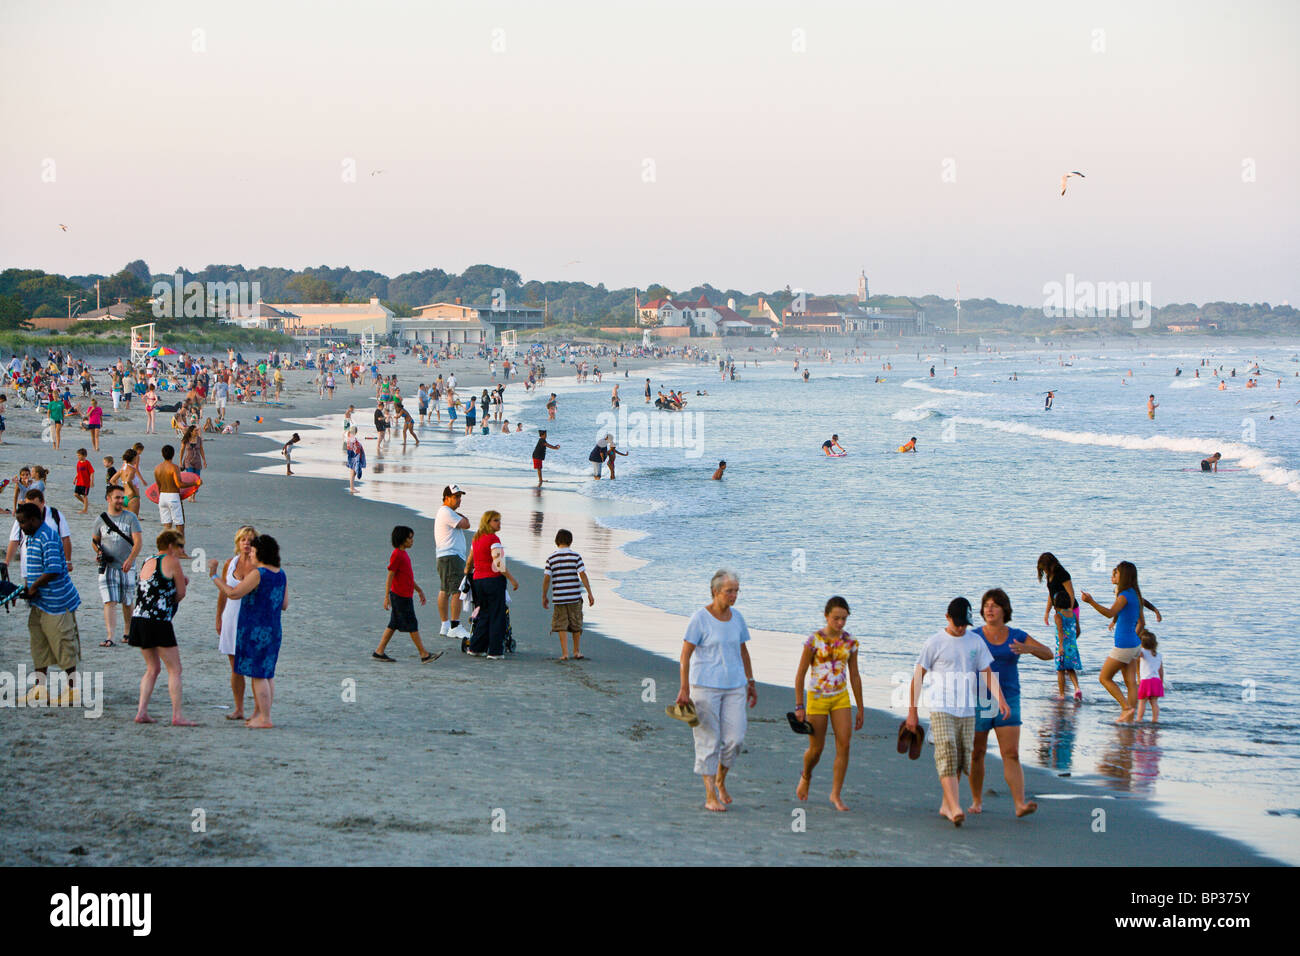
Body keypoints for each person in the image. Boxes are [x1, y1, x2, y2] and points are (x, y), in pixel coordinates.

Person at [905, 597, 1009, 827]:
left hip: (967, 709)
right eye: (957, 623)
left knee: (961, 759)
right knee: (947, 753)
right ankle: (954, 807)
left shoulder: (975, 642)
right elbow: (917, 678)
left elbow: (987, 673)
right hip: (941, 707)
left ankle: (946, 803)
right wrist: (912, 711)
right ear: (947, 618)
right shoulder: (934, 642)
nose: (961, 628)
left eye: (965, 623)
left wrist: (1001, 700)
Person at [675, 570, 756, 812]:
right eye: (729, 591)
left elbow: (743, 651)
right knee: (708, 740)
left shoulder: (738, 618)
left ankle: (721, 778)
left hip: (736, 685)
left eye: (736, 591)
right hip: (705, 686)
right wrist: (684, 688)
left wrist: (751, 681)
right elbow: (685, 655)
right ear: (715, 591)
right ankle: (711, 794)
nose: (734, 595)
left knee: (735, 739)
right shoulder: (699, 618)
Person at [969, 588, 1052, 818]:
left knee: (1011, 753)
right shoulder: (974, 636)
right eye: (986, 605)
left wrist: (1029, 649)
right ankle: (976, 800)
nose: (989, 609)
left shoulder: (1016, 634)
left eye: (994, 605)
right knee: (977, 752)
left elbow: (1048, 654)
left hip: (1010, 697)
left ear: (1005, 610)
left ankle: (1020, 804)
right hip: (981, 699)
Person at [208, 534, 288, 729]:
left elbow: (233, 593)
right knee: (267, 673)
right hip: (273, 628)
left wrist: (214, 576)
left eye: (253, 551)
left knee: (258, 674)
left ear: (261, 552)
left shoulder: (259, 573)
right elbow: (284, 604)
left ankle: (265, 718)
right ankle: (261, 714)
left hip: (254, 629)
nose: (250, 554)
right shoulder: (281, 573)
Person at [792, 595, 863, 812]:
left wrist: (860, 707)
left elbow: (855, 675)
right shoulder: (814, 640)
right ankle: (806, 775)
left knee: (844, 744)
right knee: (817, 748)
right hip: (817, 698)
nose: (840, 623)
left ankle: (836, 794)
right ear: (826, 616)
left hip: (840, 697)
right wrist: (799, 705)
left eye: (844, 619)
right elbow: (801, 673)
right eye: (836, 618)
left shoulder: (850, 642)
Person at [15, 502, 83, 706]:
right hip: (40, 603)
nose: (21, 526)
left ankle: (73, 691)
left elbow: (53, 569)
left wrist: (33, 587)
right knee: (39, 645)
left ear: (35, 520)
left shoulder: (48, 536)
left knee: (64, 645)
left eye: (23, 522)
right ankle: (39, 689)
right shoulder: (31, 536)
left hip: (57, 602)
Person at [128, 530, 196, 725]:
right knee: (175, 669)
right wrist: (181, 587)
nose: (182, 551)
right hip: (158, 621)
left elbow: (152, 587)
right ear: (170, 546)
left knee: (152, 668)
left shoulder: (148, 560)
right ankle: (177, 715)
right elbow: (180, 594)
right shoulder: (171, 561)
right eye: (180, 546)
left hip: (139, 619)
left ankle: (141, 712)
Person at [1080, 561, 1146, 723]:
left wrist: (1091, 602)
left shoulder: (1123, 596)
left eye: (1115, 574)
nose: (1112, 576)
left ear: (1122, 576)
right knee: (1131, 682)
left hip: (1124, 646)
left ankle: (1126, 708)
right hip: (1134, 644)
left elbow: (1109, 613)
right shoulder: (1134, 594)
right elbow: (1141, 622)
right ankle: (1130, 719)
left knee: (1104, 678)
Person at [373, 526, 441, 664]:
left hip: (405, 595)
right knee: (411, 624)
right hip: (399, 596)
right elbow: (390, 575)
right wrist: (386, 596)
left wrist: (419, 590)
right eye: (410, 538)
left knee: (393, 624)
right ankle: (424, 654)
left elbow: (407, 577)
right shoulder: (397, 554)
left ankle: (379, 652)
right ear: (402, 539)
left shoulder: (404, 554)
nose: (412, 540)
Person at [92, 484, 143, 648]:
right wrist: (99, 552)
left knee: (127, 601)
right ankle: (110, 636)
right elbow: (95, 541)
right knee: (109, 601)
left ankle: (128, 633)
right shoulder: (100, 519)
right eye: (117, 498)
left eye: (123, 498)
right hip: (108, 567)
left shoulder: (131, 518)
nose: (121, 501)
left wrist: (130, 559)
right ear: (108, 499)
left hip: (127, 566)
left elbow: (138, 542)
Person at [465, 511, 519, 659]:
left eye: (499, 520)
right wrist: (512, 579)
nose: (499, 523)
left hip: (478, 581)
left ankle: (476, 647)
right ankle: (495, 651)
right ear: (488, 522)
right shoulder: (493, 539)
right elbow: (499, 563)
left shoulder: (476, 539)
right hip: (493, 580)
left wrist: (467, 573)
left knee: (484, 614)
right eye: (496, 521)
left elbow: (469, 561)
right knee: (497, 615)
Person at [217, 525, 257, 719]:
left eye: (250, 540)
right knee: (235, 667)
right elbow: (223, 592)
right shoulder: (230, 563)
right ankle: (239, 708)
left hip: (250, 619)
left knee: (253, 666)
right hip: (231, 617)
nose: (246, 543)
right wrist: (218, 617)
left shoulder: (259, 567)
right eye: (243, 539)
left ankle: (258, 709)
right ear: (238, 543)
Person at [542, 528, 595, 660]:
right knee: (576, 624)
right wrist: (589, 592)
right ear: (570, 541)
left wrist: (544, 596)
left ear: (557, 541)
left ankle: (565, 653)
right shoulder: (576, 556)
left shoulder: (551, 558)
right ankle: (576, 651)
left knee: (561, 624)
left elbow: (547, 579)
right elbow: (582, 575)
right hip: (574, 596)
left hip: (559, 597)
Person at [434, 485, 472, 640]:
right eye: (456, 497)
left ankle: (445, 624)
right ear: (446, 498)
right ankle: (455, 626)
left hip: (446, 555)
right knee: (456, 590)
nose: (459, 500)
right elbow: (466, 524)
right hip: (451, 556)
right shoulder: (446, 512)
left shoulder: (446, 512)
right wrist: (462, 516)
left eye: (460, 497)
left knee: (445, 589)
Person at [1036, 551, 1080, 637]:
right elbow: (1051, 594)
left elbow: (1071, 593)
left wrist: (1069, 611)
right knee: (1060, 637)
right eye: (1043, 569)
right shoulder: (1049, 575)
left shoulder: (1062, 574)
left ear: (1051, 565)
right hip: (1059, 610)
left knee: (1069, 637)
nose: (1044, 571)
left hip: (1071, 609)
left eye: (1045, 568)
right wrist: (1047, 612)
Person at [1052, 590, 1083, 700]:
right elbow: (1078, 631)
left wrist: (1061, 646)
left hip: (1061, 647)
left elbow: (1060, 631)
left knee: (1060, 670)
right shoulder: (1073, 614)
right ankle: (1077, 688)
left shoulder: (1058, 616)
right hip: (1072, 646)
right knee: (1070, 669)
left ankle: (1061, 695)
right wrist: (1072, 641)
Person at [154, 445, 186, 536]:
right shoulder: (174, 467)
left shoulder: (157, 468)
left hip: (162, 497)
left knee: (167, 526)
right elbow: (179, 484)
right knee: (179, 525)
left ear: (162, 454)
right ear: (173, 454)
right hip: (173, 496)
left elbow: (158, 485)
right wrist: (195, 483)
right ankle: (180, 547)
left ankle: (167, 547)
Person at [1135, 629, 1165, 722]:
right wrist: (1161, 680)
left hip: (1146, 680)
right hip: (1156, 681)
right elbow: (1161, 670)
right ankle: (1155, 720)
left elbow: (1135, 654)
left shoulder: (1143, 652)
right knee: (1154, 703)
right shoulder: (1158, 655)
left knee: (1142, 702)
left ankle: (1139, 719)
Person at [119, 449, 142, 516]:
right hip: (133, 497)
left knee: (124, 520)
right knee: (133, 520)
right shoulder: (132, 469)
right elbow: (128, 481)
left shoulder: (122, 469)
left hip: (124, 496)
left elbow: (112, 480)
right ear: (134, 458)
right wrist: (134, 492)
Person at [345, 426, 365, 493]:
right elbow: (350, 448)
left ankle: (352, 488)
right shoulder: (351, 438)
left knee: (353, 473)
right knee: (353, 473)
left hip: (352, 457)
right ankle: (352, 488)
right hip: (353, 457)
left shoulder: (350, 437)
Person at [73, 448, 93, 514]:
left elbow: (92, 472)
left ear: (84, 456)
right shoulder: (78, 463)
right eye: (77, 455)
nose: (78, 456)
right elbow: (78, 472)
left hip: (85, 483)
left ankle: (85, 509)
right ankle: (86, 503)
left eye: (79, 455)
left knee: (84, 495)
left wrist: (91, 481)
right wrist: (75, 478)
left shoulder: (87, 463)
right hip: (79, 482)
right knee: (76, 494)